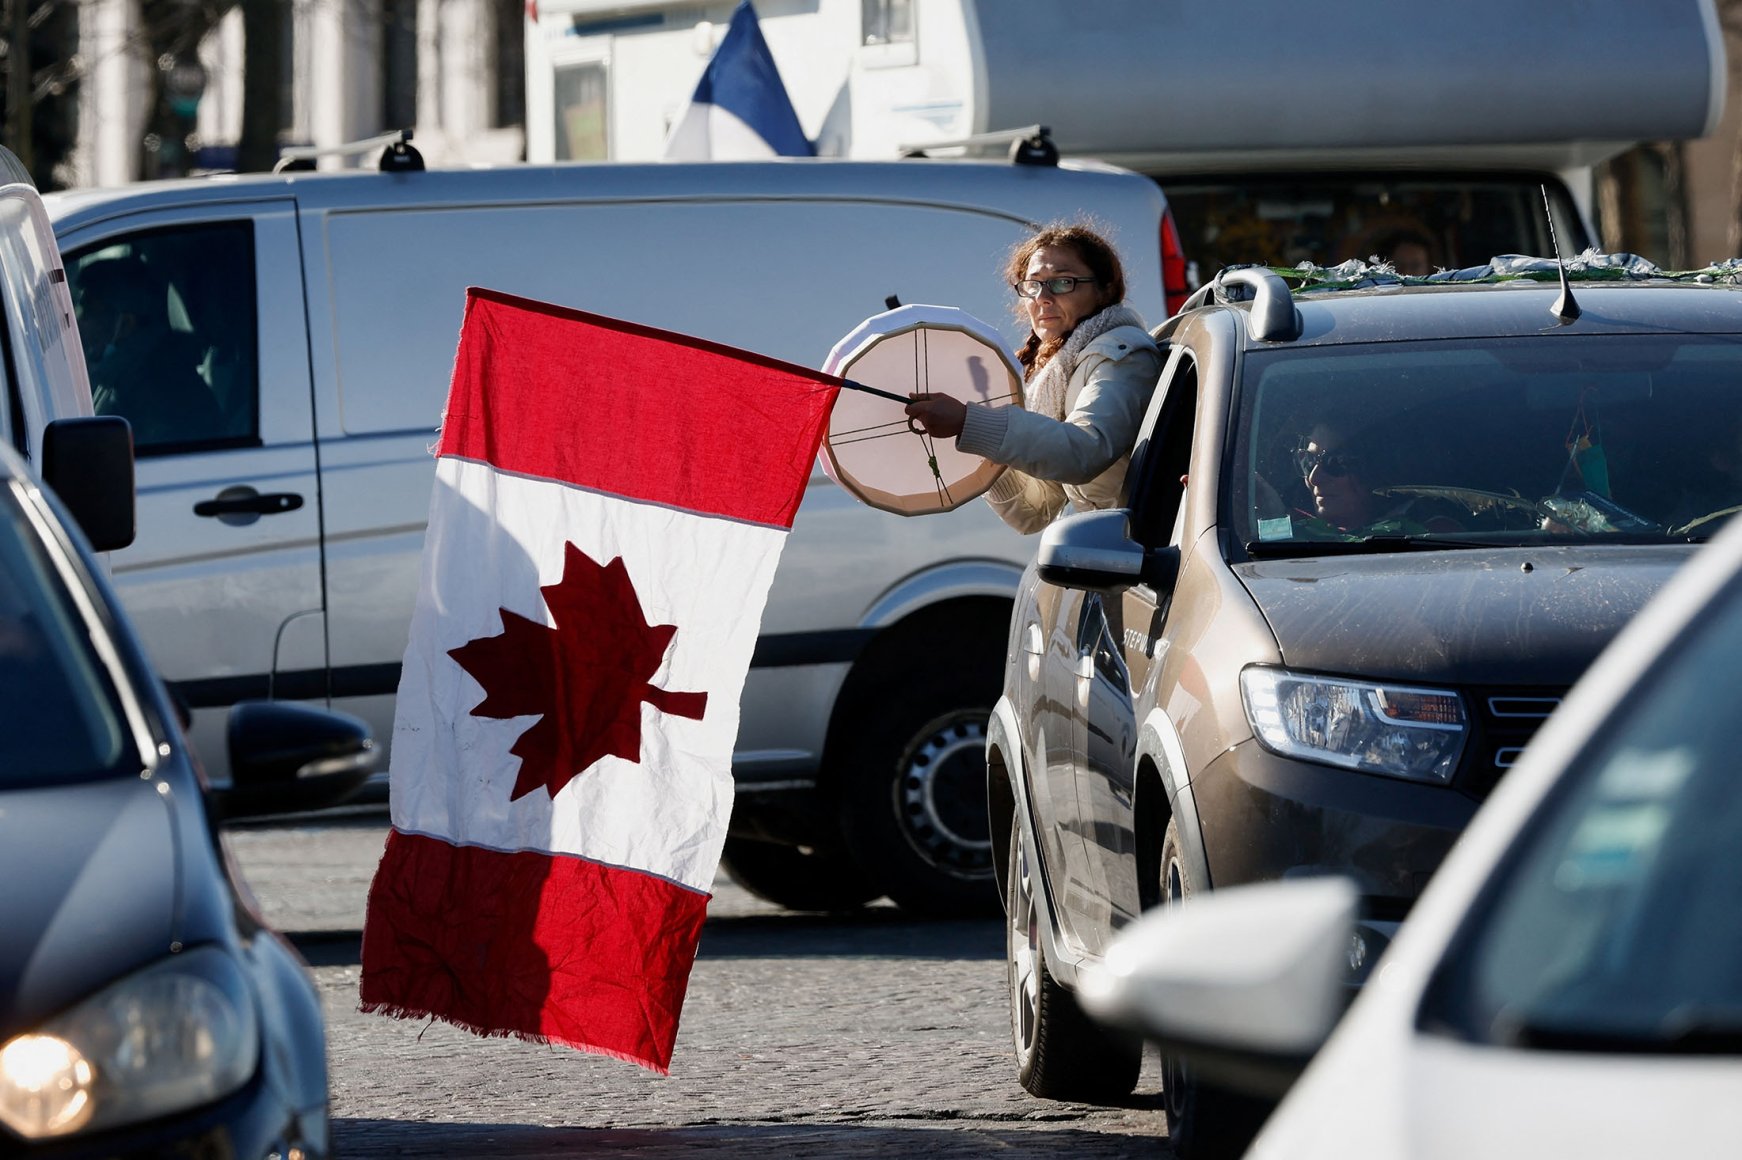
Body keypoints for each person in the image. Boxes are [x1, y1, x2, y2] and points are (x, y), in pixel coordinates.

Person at [903, 224, 1163, 534]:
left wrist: (968, 421)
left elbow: (1084, 452)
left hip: (1141, 548)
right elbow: (1032, 514)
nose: (1042, 297)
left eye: (1063, 282)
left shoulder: (1122, 355)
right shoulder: (1059, 367)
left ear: (1105, 289)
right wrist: (976, 434)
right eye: (1033, 284)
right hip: (1107, 547)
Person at [75, 255, 226, 448]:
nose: (79, 324)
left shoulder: (161, 392)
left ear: (125, 324)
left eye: (89, 313)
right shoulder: (128, 377)